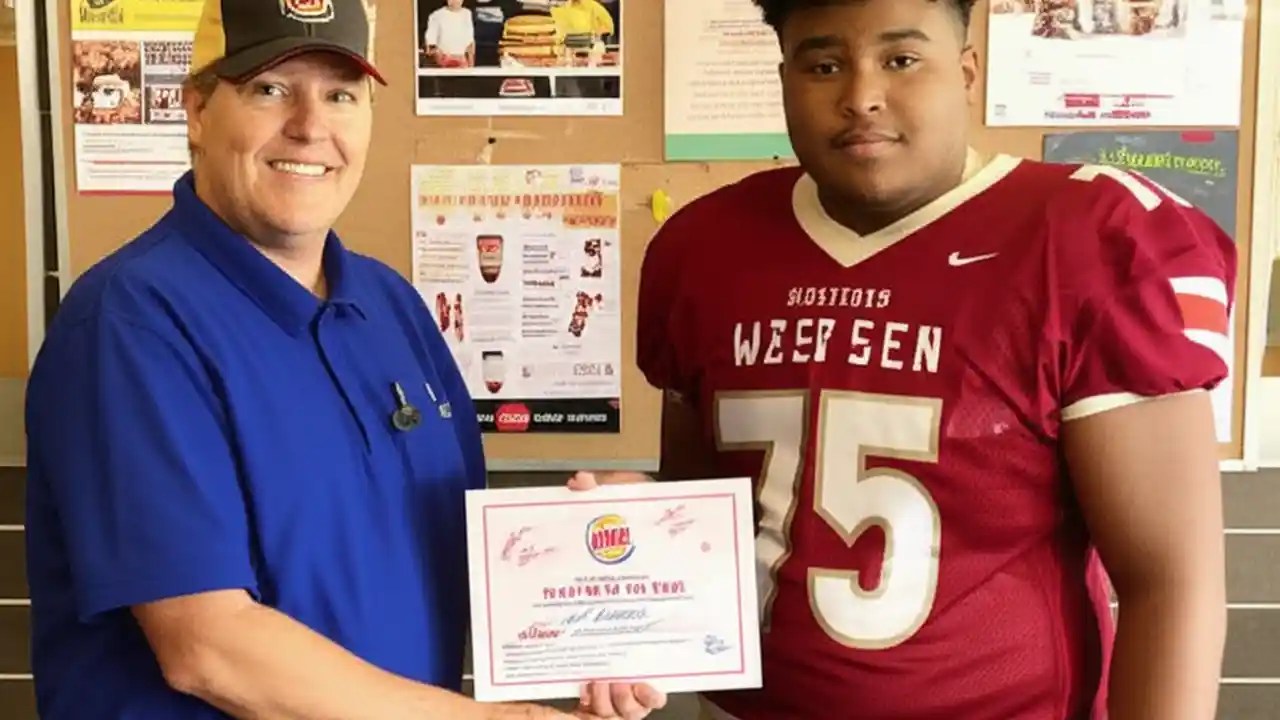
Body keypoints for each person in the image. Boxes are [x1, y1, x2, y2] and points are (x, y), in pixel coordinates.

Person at [571, 0, 1232, 718]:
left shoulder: (1086, 238)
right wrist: (634, 535)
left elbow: (1170, 580)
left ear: (968, 72)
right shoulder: (704, 246)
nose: (860, 96)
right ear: (784, 78)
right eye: (824, 65)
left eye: (901, 60)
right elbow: (702, 511)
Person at [23, 0, 664, 718]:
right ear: (198, 110)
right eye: (269, 88)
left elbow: (430, 545)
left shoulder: (389, 306)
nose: (310, 126)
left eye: (340, 94)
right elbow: (208, 649)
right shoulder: (133, 321)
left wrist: (597, 549)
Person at [424, 0, 477, 68]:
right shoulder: (436, 15)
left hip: (463, 64)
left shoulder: (467, 14)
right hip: (442, 64)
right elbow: (430, 46)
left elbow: (470, 43)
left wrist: (470, 67)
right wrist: (440, 58)